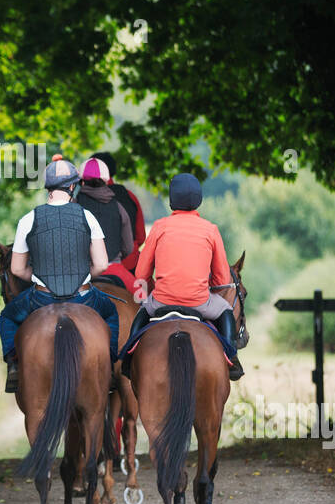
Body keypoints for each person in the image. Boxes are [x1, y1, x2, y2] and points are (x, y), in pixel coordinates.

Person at [0, 155, 121, 394]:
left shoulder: (28, 219)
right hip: (83, 297)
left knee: (7, 317)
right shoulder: (87, 217)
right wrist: (85, 275)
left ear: (48, 188)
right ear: (73, 186)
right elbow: (102, 264)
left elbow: (16, 269)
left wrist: (40, 276)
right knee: (111, 312)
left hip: (41, 298)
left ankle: (14, 367)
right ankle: (108, 367)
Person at [126, 172, 244, 380]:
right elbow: (222, 279)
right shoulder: (211, 230)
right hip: (200, 302)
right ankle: (231, 358)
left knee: (141, 313)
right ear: (198, 200)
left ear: (172, 201)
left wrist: (152, 286)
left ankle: (127, 359)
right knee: (226, 311)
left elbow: (141, 273)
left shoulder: (160, 227)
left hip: (162, 301)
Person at [74, 156, 136, 291]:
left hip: (79, 273)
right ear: (106, 180)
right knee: (143, 303)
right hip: (114, 268)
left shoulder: (73, 205)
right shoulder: (118, 207)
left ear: (82, 181)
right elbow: (128, 247)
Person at [91, 151, 146, 273]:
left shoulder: (81, 198)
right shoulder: (129, 196)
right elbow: (141, 237)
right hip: (128, 265)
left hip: (93, 267)